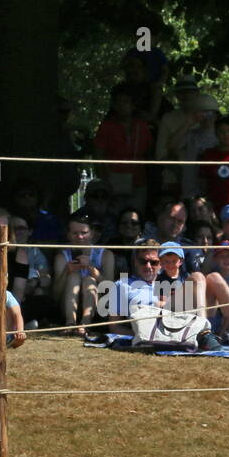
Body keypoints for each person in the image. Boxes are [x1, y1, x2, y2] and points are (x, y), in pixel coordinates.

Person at [93, 84, 153, 215]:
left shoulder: (142, 126)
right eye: (118, 102)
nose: (122, 106)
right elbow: (98, 155)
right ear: (114, 105)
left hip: (138, 181)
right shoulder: (106, 126)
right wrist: (105, 181)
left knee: (136, 219)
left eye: (126, 102)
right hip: (113, 182)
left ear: (133, 105)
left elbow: (148, 153)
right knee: (114, 219)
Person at [53, 214, 114, 334]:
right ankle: (70, 323)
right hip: (66, 307)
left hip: (97, 307)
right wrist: (66, 271)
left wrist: (92, 269)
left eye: (84, 233)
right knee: (73, 276)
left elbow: (111, 290)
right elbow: (55, 295)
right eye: (75, 233)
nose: (80, 237)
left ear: (91, 234)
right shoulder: (62, 256)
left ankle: (85, 323)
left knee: (89, 280)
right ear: (68, 235)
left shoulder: (106, 254)